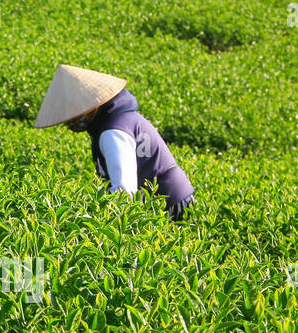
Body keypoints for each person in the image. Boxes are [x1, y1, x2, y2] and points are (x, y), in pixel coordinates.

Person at [34, 64, 196, 220]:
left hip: (169, 205)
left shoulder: (113, 132)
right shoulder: (122, 119)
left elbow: (124, 190)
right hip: (171, 198)